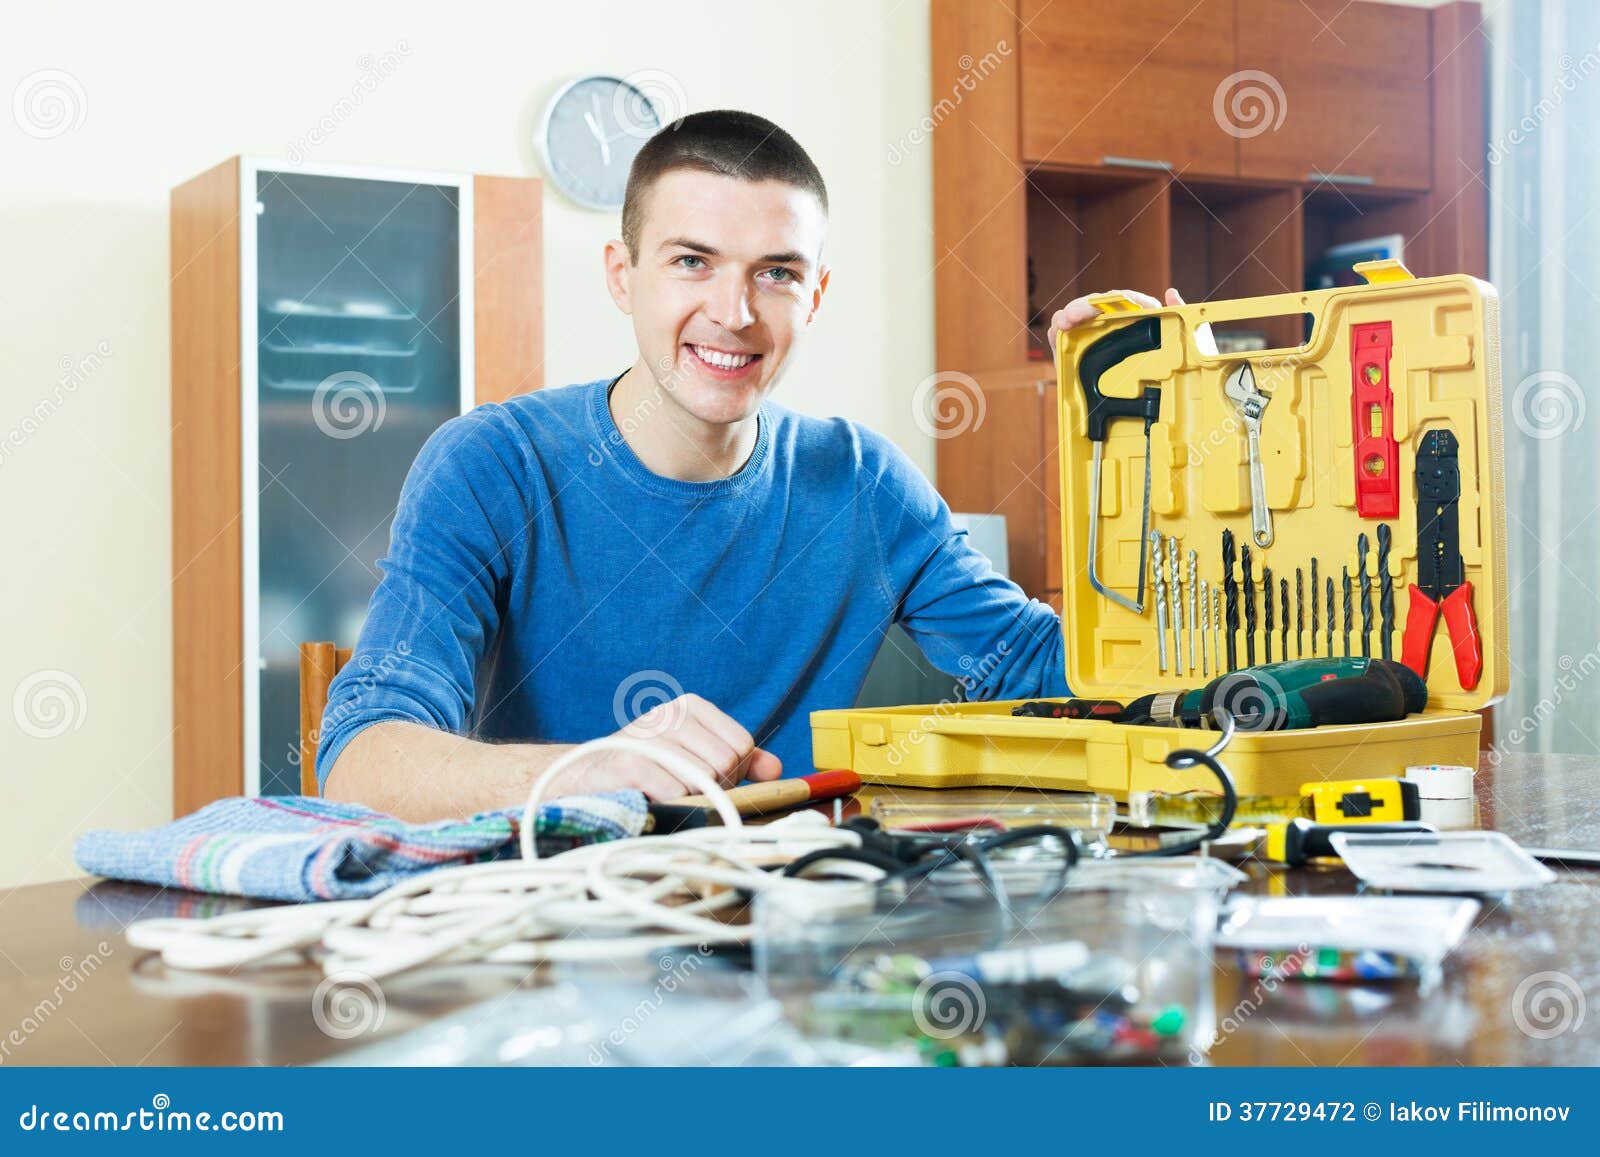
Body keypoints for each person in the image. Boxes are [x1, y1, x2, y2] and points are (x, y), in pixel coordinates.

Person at [319, 108, 1178, 822]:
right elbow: (361, 762)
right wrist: (594, 769)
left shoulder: (864, 486)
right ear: (623, 275)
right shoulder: (492, 466)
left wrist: (1170, 439)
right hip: (556, 939)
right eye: (692, 261)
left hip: (793, 940)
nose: (732, 313)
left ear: (816, 294)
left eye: (775, 273)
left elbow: (1078, 673)